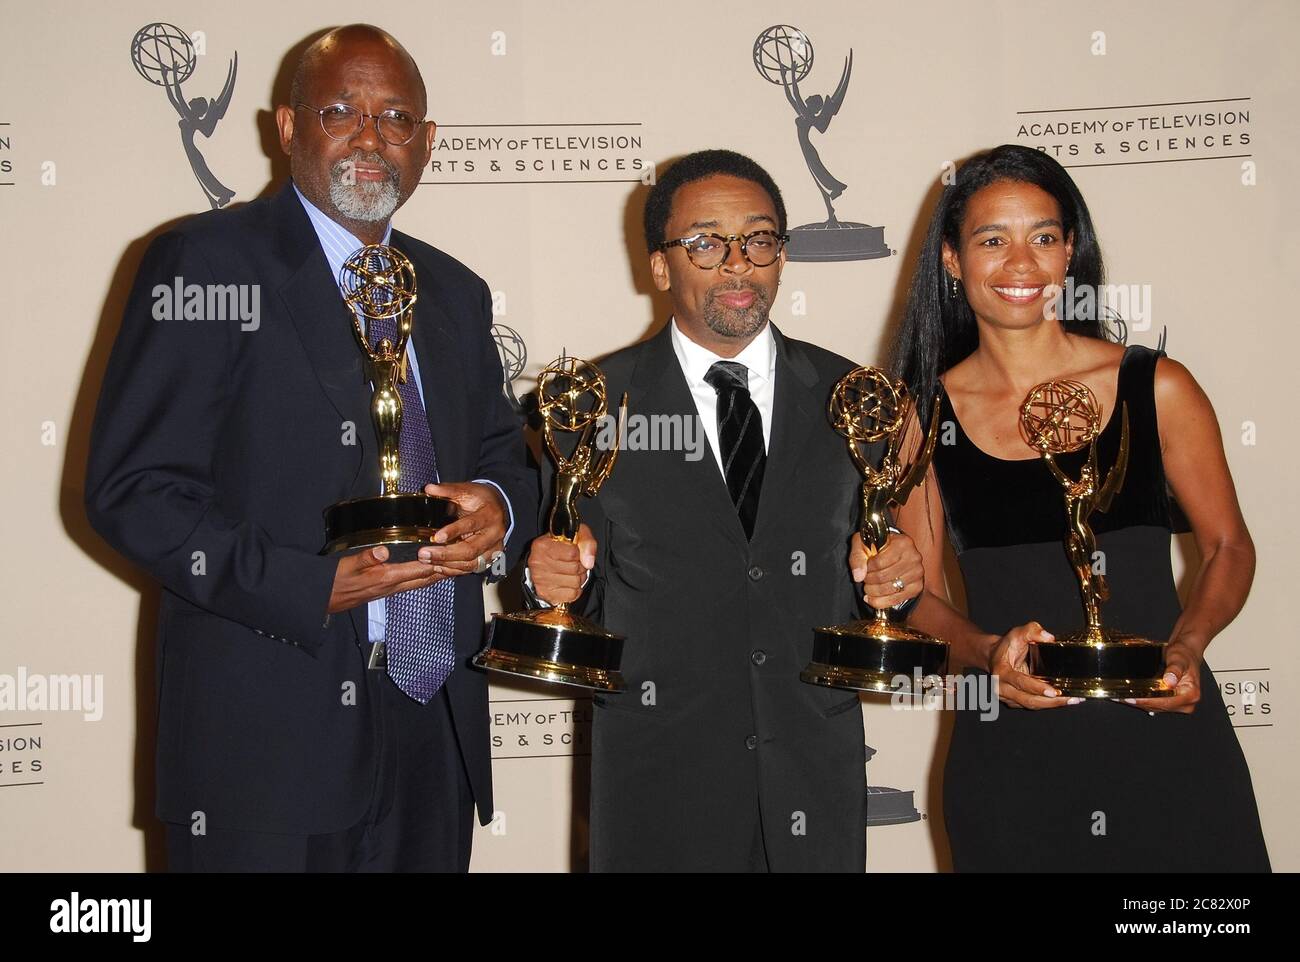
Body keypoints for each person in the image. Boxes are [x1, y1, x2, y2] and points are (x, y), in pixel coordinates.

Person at [85, 24, 537, 872]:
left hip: (432, 733)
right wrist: (308, 584)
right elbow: (133, 489)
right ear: (288, 130)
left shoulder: (454, 290)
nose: (371, 139)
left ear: (428, 143)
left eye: (397, 118)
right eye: (342, 112)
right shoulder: (206, 265)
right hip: (263, 749)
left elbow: (505, 457)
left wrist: (500, 509)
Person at [525, 149, 925, 872]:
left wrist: (895, 578)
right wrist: (553, 582)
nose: (738, 264)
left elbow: (873, 573)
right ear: (659, 266)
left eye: (761, 239)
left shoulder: (855, 398)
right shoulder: (590, 404)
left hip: (812, 776)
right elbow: (571, 592)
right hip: (658, 784)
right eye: (707, 242)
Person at [891, 143, 1270, 871]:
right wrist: (988, 656)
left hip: (1169, 746)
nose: (1020, 265)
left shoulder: (1157, 388)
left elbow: (1229, 548)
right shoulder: (922, 420)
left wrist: (1187, 647)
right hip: (1010, 758)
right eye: (991, 240)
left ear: (1071, 252)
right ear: (950, 259)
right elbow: (919, 600)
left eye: (1043, 237)